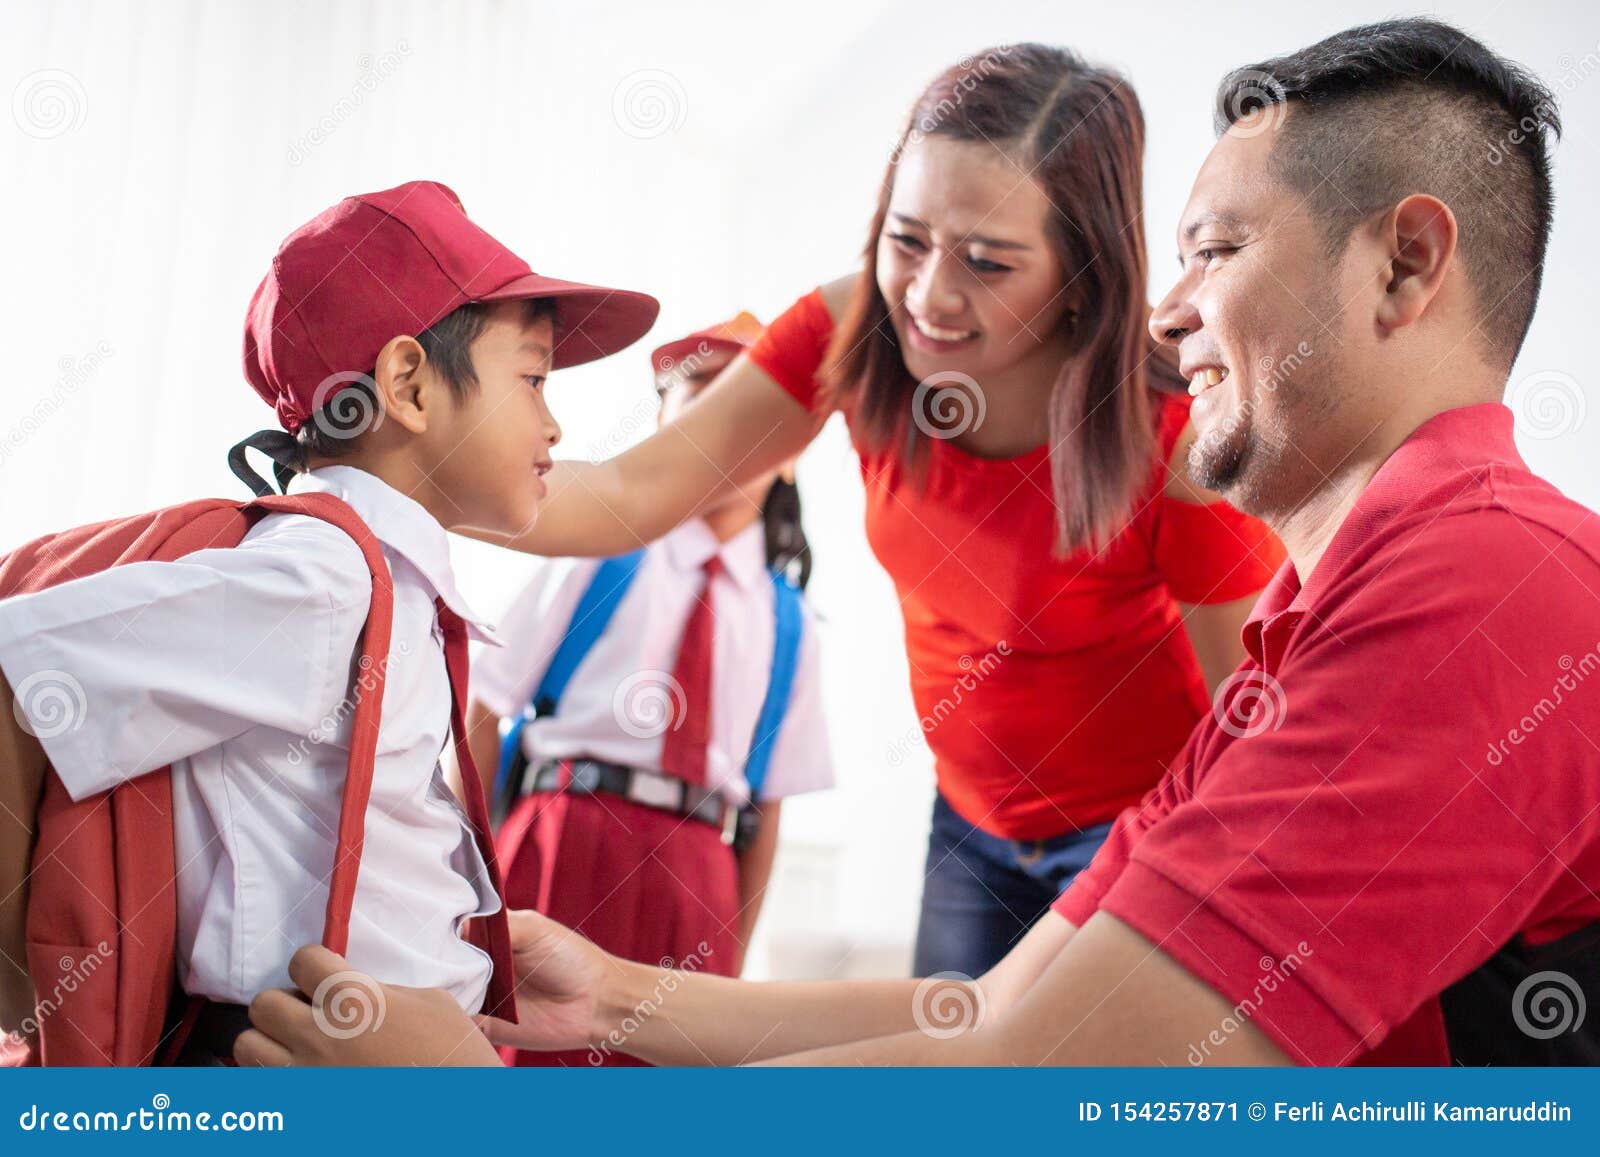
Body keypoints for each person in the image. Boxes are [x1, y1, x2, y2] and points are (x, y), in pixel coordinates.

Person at [237, 17, 1600, 1068]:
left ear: (1407, 268)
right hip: (998, 826)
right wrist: (619, 997)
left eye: (1221, 247)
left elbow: (1049, 1069)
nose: (1177, 314)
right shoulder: (1340, 611)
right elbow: (1001, 1013)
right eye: (908, 241)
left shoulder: (1483, 588)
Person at [476, 43, 1285, 979]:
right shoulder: (855, 331)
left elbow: (1248, 717)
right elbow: (625, 496)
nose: (931, 297)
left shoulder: (1171, 438)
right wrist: (399, 465)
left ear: (1082, 270)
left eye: (988, 261)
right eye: (907, 240)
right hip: (970, 827)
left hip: (1136, 829)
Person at [0, 179, 659, 1063]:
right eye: (534, 378)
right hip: (286, 1060)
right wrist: (17, 974)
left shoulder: (384, 583)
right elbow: (18, 663)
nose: (554, 421)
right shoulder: (327, 581)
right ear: (409, 387)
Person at [465, 314, 835, 1066]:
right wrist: (474, 873)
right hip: (558, 840)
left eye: (755, 406)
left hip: (697, 876)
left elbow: (767, 811)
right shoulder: (594, 547)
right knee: (514, 1064)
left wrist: (728, 956)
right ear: (661, 423)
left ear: (794, 458)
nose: (726, 425)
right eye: (699, 394)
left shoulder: (791, 624)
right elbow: (483, 705)